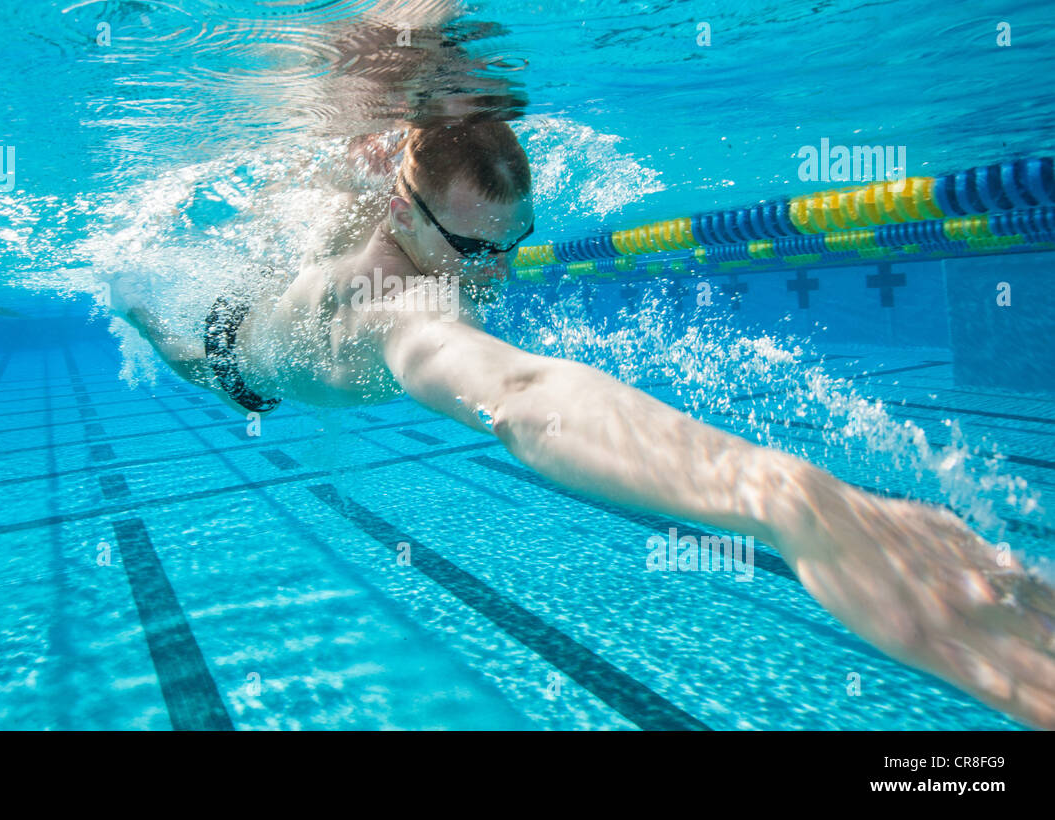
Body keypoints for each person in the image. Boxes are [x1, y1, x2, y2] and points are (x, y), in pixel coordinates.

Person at [114, 121, 1055, 730]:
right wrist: (776, 495)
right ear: (407, 210)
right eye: (478, 250)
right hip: (239, 355)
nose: (499, 274)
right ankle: (122, 302)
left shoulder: (415, 221)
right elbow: (521, 395)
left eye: (516, 244)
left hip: (326, 251)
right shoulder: (397, 313)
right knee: (175, 340)